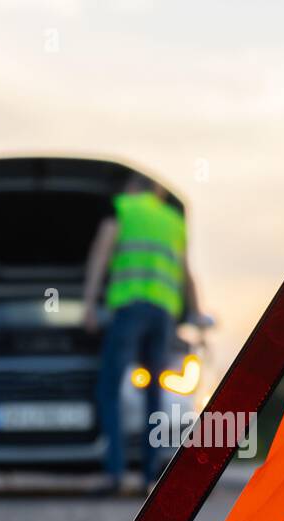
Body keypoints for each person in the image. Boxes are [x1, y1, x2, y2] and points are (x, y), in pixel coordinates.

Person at [82, 173, 198, 492]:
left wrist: (90, 303)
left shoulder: (123, 209)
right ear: (159, 193)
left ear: (133, 188)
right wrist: (197, 314)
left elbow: (100, 255)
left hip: (130, 308)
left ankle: (115, 473)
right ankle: (149, 477)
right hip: (162, 313)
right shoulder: (173, 221)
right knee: (154, 392)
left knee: (110, 387)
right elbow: (187, 275)